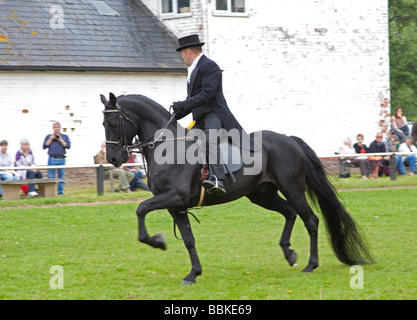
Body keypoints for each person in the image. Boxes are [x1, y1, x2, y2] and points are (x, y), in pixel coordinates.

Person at [171, 34, 245, 195]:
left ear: (188, 52)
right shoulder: (193, 70)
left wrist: (183, 104)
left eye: (182, 54)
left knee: (210, 140)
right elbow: (193, 100)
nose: (182, 57)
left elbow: (207, 94)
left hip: (214, 114)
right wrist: (175, 114)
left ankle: (218, 179)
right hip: (200, 117)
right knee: (184, 143)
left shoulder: (210, 67)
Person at [43, 122, 71, 195]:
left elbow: (68, 146)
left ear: (60, 128)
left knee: (61, 176)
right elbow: (44, 146)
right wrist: (51, 139)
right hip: (52, 158)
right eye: (55, 127)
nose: (56, 129)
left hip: (61, 158)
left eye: (58, 127)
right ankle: (51, 192)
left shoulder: (64, 137)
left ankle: (60, 192)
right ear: (53, 128)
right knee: (51, 176)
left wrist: (60, 140)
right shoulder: (48, 136)